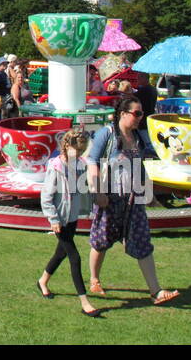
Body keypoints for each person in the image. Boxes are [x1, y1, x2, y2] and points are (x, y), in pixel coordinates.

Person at [86, 95, 180, 305]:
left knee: (142, 240)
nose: (139, 118)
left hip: (133, 198)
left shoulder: (138, 137)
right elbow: (92, 161)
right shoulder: (106, 134)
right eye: (136, 114)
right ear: (123, 114)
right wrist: (97, 191)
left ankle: (155, 291)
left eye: (141, 114)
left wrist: (149, 193)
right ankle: (94, 279)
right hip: (109, 197)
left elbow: (140, 166)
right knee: (101, 240)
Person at [38, 130, 99, 317]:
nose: (80, 154)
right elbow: (46, 197)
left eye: (82, 151)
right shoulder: (55, 166)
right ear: (66, 146)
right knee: (75, 257)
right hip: (60, 220)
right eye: (77, 150)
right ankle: (84, 301)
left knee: (60, 253)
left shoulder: (79, 164)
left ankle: (42, 281)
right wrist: (53, 219)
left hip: (72, 218)